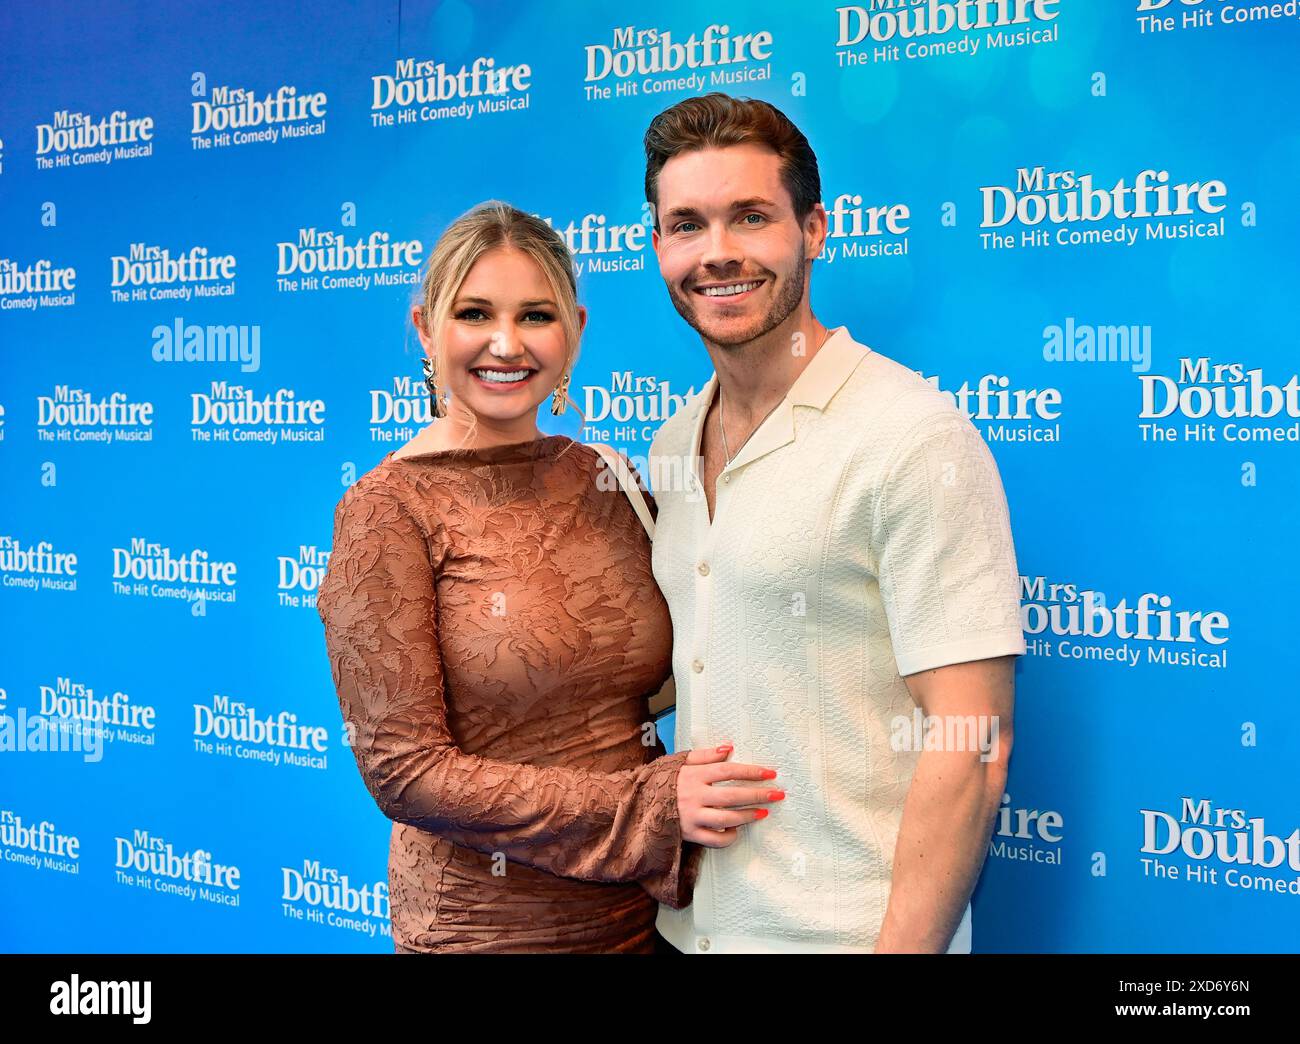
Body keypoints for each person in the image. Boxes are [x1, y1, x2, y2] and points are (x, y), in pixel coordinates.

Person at [315, 200, 782, 954]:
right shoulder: (386, 510)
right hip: (487, 930)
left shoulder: (607, 479)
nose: (506, 343)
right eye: (474, 314)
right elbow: (405, 772)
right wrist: (650, 806)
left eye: (535, 315)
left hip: (649, 923)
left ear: (575, 332)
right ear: (426, 330)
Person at [642, 94, 1027, 954]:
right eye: (688, 224)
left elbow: (972, 744)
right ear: (658, 244)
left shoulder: (912, 437)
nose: (719, 251)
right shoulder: (672, 442)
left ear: (813, 230)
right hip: (687, 931)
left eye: (751, 217)